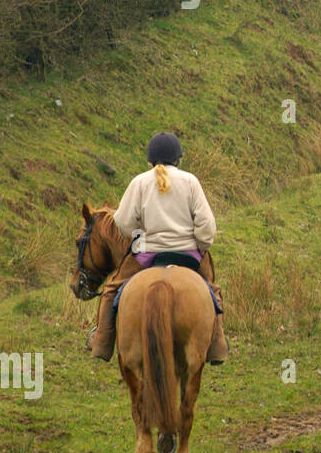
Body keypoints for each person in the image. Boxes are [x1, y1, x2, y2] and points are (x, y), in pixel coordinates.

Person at [88, 132, 229, 364]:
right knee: (212, 290)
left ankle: (102, 343)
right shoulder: (191, 181)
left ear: (150, 161)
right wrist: (201, 245)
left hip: (147, 255)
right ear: (178, 159)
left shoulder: (139, 182)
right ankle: (217, 345)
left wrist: (137, 234)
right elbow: (207, 226)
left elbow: (122, 223)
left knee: (111, 290)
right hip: (189, 255)